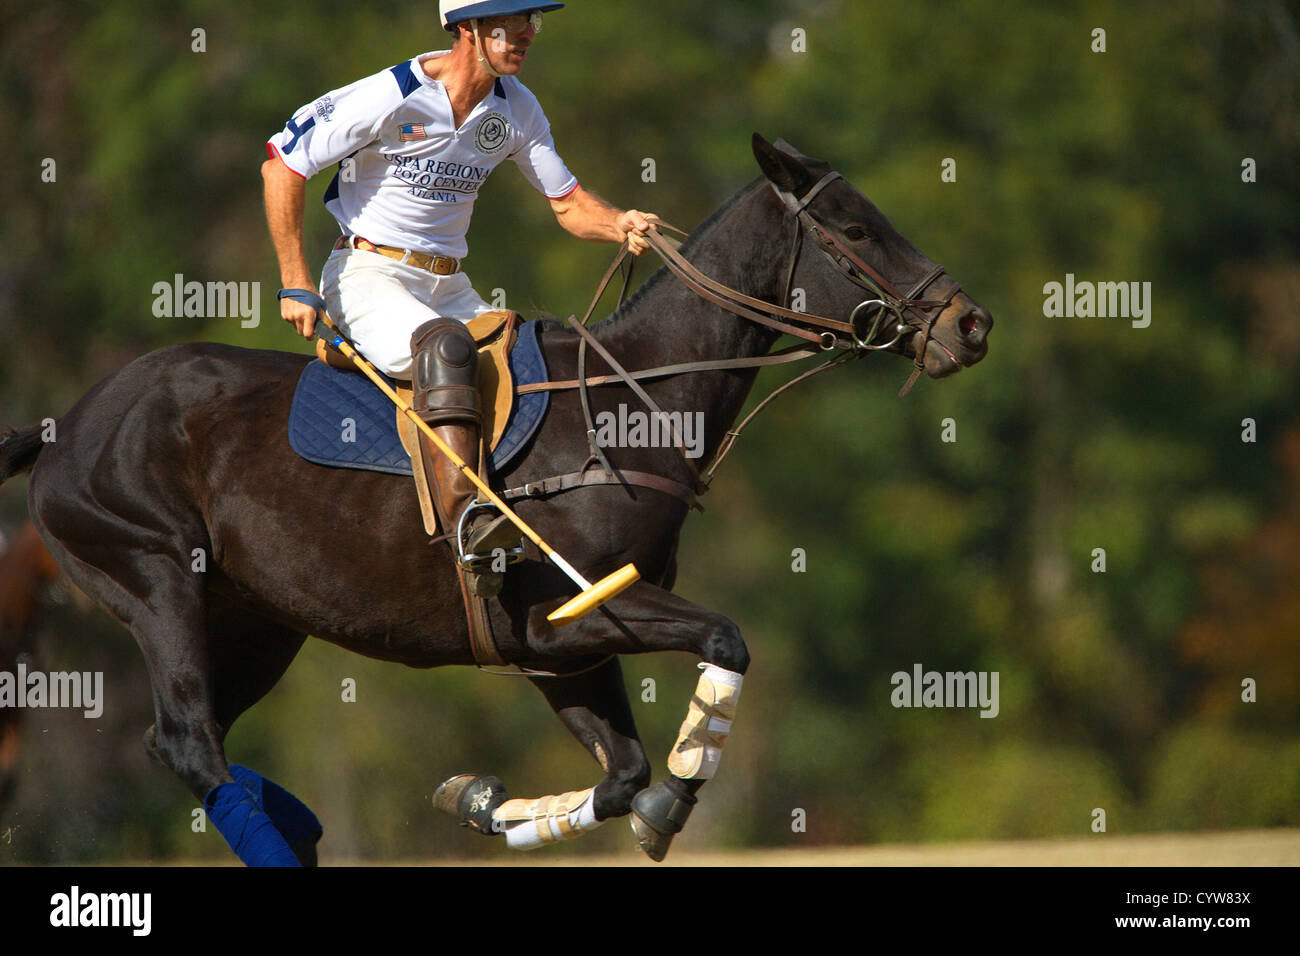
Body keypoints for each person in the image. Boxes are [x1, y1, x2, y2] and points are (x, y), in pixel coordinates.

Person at [262, 1, 657, 594]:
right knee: (446, 350)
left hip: (449, 284)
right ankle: (468, 523)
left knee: (530, 358)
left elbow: (568, 204)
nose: (527, 33)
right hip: (367, 274)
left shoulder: (517, 108)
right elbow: (282, 166)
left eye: (532, 22)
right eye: (511, 22)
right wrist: (294, 280)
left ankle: (549, 517)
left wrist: (619, 222)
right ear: (468, 28)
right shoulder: (391, 93)